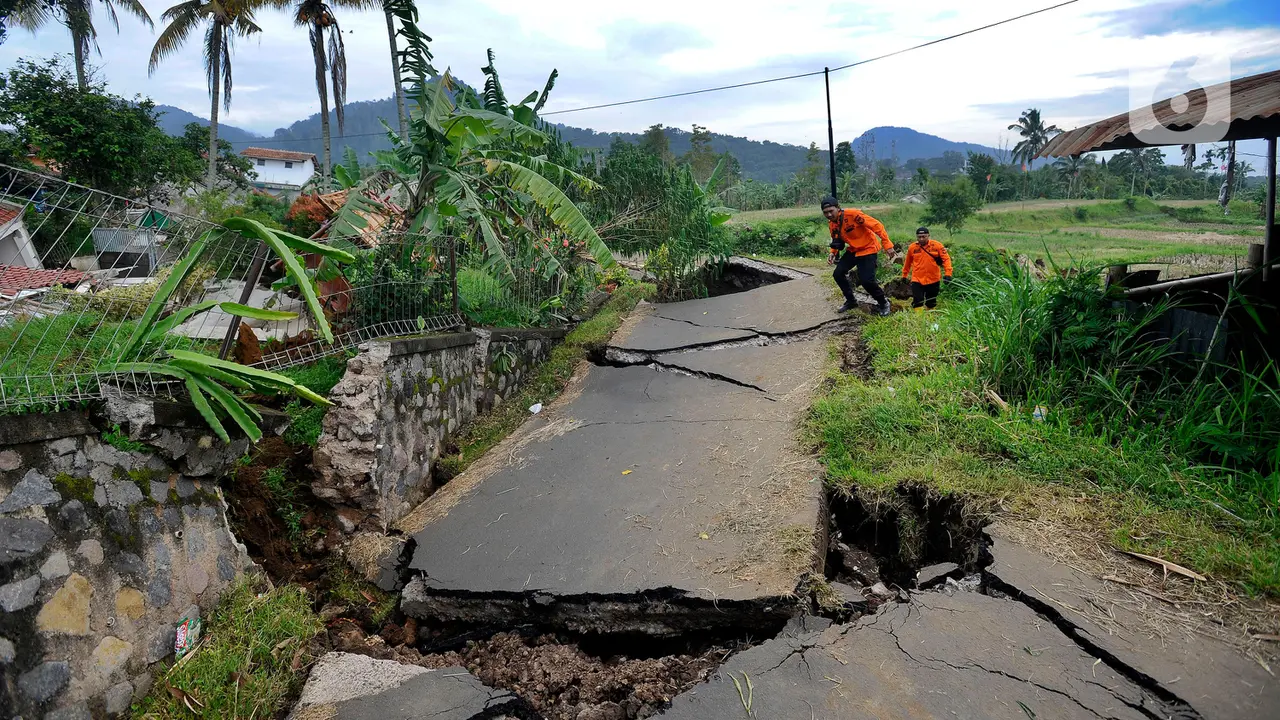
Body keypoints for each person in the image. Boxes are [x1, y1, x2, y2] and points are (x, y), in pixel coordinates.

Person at [822, 196, 895, 316]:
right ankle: (851, 301)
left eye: (831, 211)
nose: (829, 215)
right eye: (826, 212)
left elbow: (877, 226)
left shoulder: (853, 215)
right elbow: (836, 239)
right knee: (838, 274)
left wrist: (887, 244)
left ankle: (883, 303)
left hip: (868, 248)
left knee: (866, 280)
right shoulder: (832, 224)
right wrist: (832, 252)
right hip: (854, 250)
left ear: (838, 208)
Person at [900, 226, 953, 311]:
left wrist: (948, 274)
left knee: (931, 302)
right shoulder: (912, 248)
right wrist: (904, 275)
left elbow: (946, 259)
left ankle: (929, 319)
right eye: (919, 237)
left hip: (933, 279)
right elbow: (907, 262)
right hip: (917, 279)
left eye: (923, 236)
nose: (921, 239)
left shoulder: (937, 246)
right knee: (917, 301)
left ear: (928, 236)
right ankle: (919, 320)